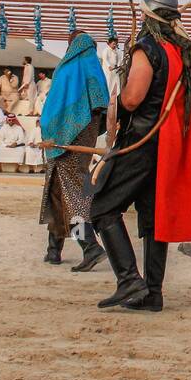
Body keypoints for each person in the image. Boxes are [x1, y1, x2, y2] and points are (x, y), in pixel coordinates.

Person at [89, 0, 191, 312]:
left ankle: (129, 281)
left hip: (141, 142)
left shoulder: (148, 48)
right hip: (165, 146)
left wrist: (118, 99)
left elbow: (133, 98)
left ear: (149, 16)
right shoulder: (180, 53)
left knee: (102, 207)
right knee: (153, 218)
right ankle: (153, 293)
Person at [38, 30, 109, 271]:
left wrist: (53, 132)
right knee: (58, 192)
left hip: (64, 140)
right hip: (84, 139)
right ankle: (53, 249)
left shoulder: (67, 69)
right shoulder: (95, 68)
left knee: (71, 195)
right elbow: (102, 107)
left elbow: (55, 106)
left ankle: (90, 246)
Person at [101, 37, 123, 101]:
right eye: (113, 44)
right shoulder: (106, 50)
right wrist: (109, 66)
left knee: (116, 82)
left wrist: (119, 65)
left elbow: (120, 59)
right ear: (109, 44)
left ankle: (116, 98)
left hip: (115, 70)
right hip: (107, 70)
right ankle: (107, 98)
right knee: (108, 82)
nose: (114, 45)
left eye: (116, 44)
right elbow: (105, 59)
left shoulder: (118, 51)